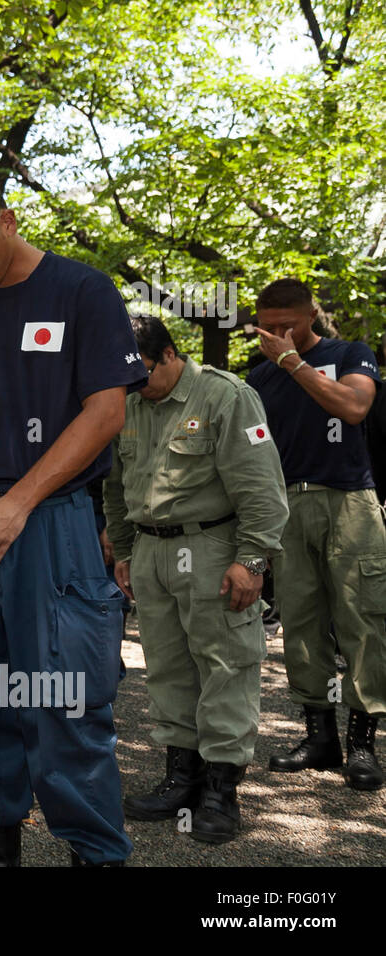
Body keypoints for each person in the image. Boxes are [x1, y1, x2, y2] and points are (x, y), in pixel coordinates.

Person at [0, 166, 146, 867]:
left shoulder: (82, 290)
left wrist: (20, 501)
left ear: (7, 221)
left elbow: (107, 411)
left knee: (64, 697)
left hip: (49, 521)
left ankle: (92, 848)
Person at [105, 316, 288, 843]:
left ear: (167, 354)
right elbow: (116, 483)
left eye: (143, 372)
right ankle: (180, 777)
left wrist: (253, 559)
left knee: (225, 662)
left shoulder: (225, 396)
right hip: (150, 549)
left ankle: (222, 789)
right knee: (167, 665)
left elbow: (261, 484)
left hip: (212, 547)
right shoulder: (128, 401)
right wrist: (122, 546)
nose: (136, 386)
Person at [248, 277, 386, 791]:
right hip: (287, 504)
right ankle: (319, 735)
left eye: (289, 324)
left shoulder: (350, 352)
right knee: (301, 624)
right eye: (270, 326)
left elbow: (353, 408)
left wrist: (293, 363)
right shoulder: (258, 376)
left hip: (348, 498)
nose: (279, 334)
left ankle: (364, 744)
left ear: (310, 316)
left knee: (362, 618)